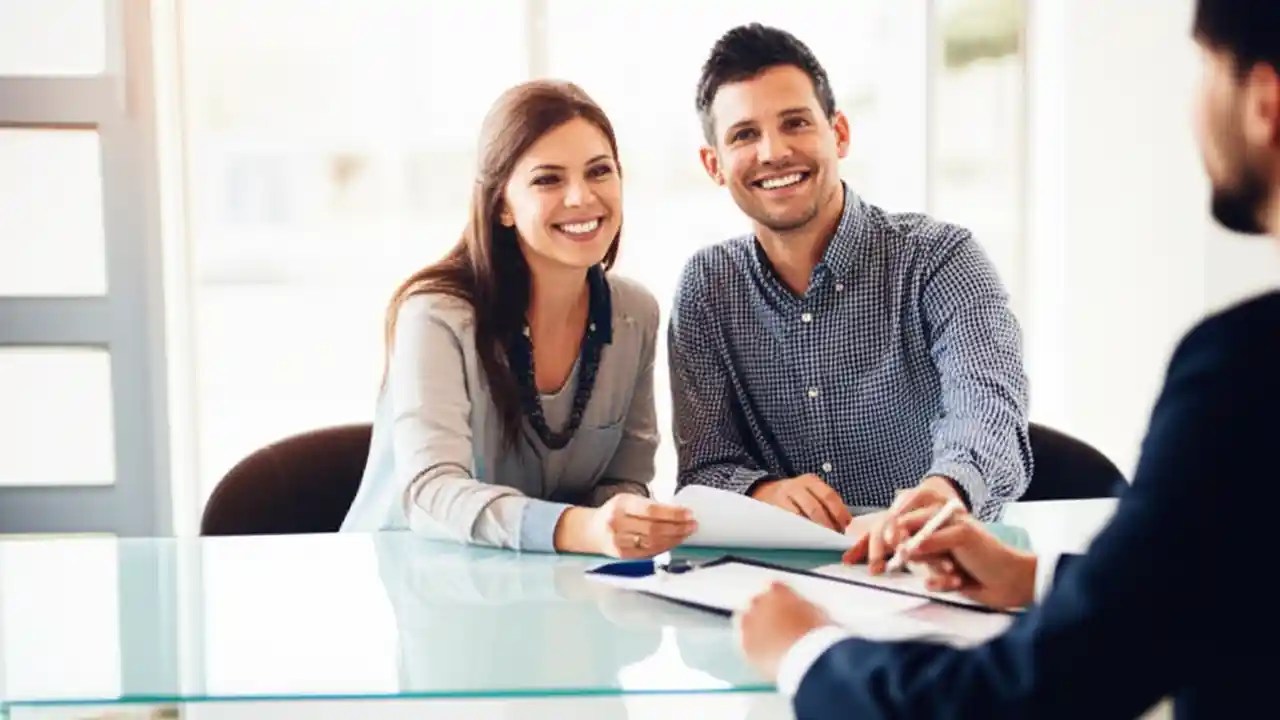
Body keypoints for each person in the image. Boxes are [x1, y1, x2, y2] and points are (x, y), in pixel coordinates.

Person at [736, 1, 1280, 717]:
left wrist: (808, 651)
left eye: (1204, 70)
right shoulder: (711, 284)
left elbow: (1032, 693)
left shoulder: (1245, 371)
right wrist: (1036, 577)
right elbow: (1229, 586)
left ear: (1264, 103)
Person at [670, 24, 1032, 536]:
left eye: (795, 123)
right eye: (744, 135)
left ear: (838, 134)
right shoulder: (707, 287)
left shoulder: (940, 258)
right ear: (715, 165)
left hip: (934, 560)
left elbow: (989, 406)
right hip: (783, 577)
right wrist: (762, 492)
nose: (773, 152)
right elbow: (704, 467)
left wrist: (944, 492)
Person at [342, 80, 696, 558]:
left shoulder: (636, 314)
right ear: (503, 205)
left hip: (548, 590)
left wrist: (627, 517)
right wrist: (581, 529)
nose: (581, 198)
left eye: (599, 172)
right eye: (548, 179)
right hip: (419, 588)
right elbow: (431, 492)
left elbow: (623, 478)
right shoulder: (435, 316)